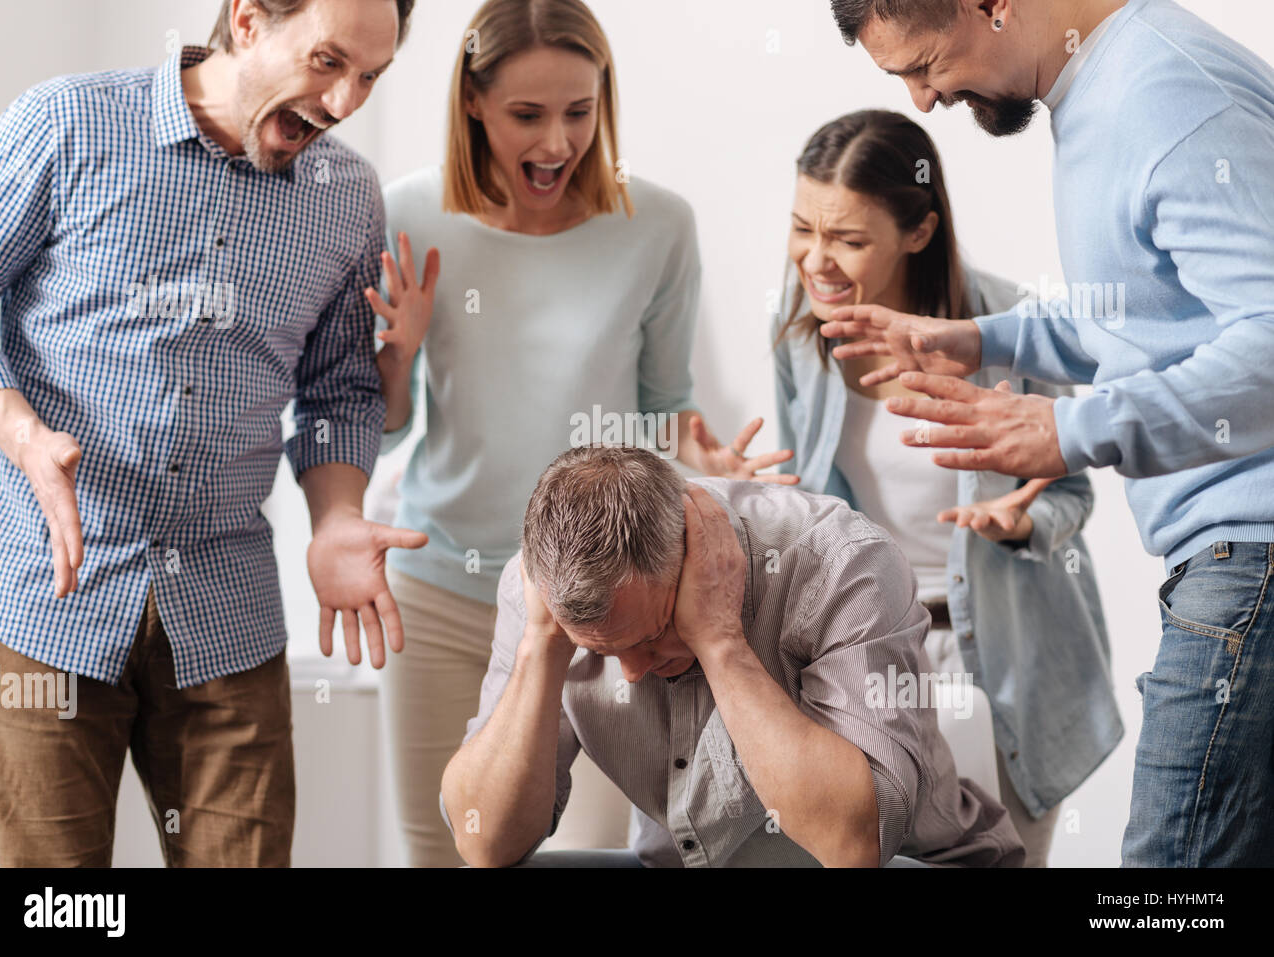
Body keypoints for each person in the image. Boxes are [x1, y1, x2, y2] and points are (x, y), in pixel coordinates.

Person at [0, 0, 423, 867]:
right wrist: (23, 434)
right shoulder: (69, 123)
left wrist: (335, 518)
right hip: (42, 604)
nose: (343, 103)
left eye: (371, 76)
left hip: (227, 617)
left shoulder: (348, 198)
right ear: (248, 19)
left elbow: (337, 388)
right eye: (328, 62)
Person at [827, 0, 1274, 866]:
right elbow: (1144, 310)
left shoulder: (1166, 92)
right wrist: (985, 340)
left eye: (923, 64)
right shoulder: (1107, 88)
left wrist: (1075, 429)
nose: (923, 100)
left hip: (1252, 555)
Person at [368, 0, 791, 867]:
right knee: (444, 851)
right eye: (528, 115)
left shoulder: (658, 226)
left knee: (586, 858)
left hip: (603, 604)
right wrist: (397, 356)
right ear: (474, 104)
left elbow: (666, 404)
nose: (557, 143)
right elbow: (381, 430)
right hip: (443, 588)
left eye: (579, 112)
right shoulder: (408, 212)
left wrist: (700, 460)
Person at [772, 110, 1122, 866]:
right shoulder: (800, 334)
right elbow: (808, 507)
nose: (816, 261)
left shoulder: (1006, 329)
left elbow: (1070, 495)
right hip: (865, 657)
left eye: (849, 239)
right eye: (804, 228)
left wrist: (1018, 523)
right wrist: (744, 494)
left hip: (1000, 660)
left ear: (919, 232)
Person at [440, 445, 1025, 868]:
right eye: (605, 651)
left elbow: (852, 846)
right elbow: (484, 841)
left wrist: (719, 639)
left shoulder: (842, 561)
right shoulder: (540, 589)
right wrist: (542, 647)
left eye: (653, 633)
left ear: (693, 556)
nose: (633, 672)